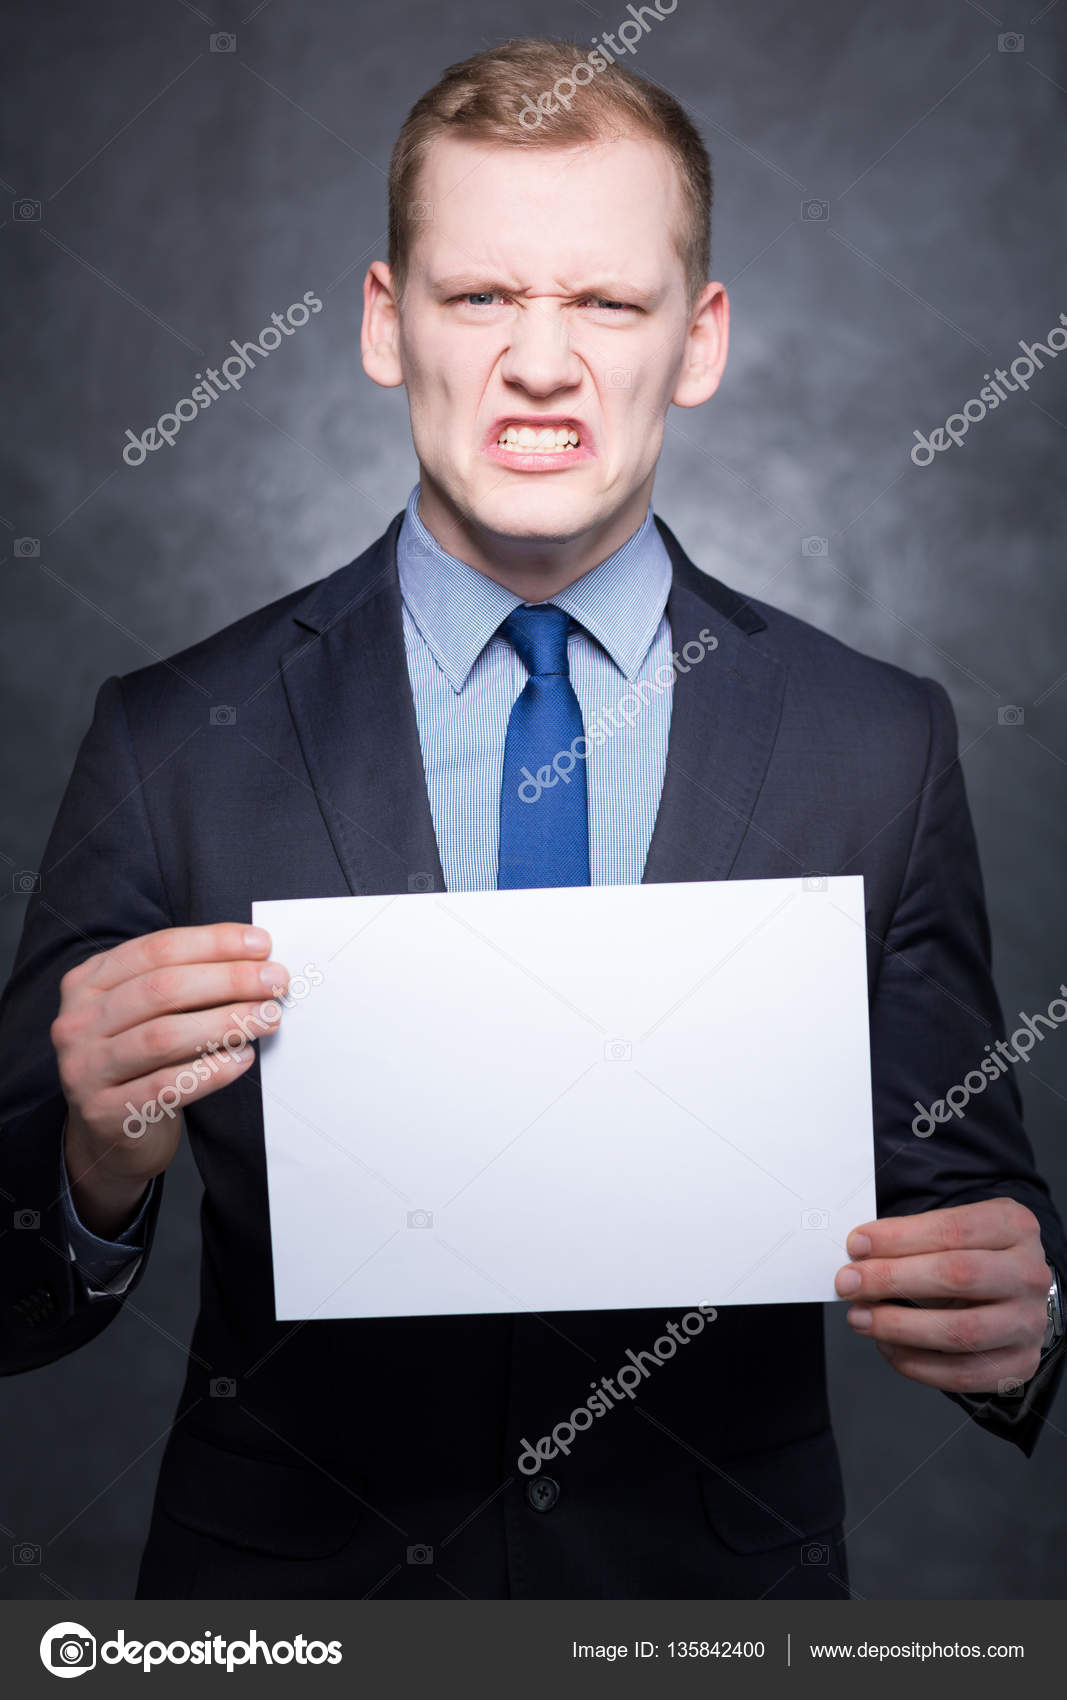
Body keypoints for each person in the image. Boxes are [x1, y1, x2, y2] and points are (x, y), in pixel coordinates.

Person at [1, 37, 1063, 1602]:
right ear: (388, 322)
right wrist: (92, 1165)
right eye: (482, 294)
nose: (542, 362)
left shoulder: (875, 742)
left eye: (607, 303)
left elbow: (971, 1204)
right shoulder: (173, 740)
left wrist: (1022, 1318)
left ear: (697, 340)